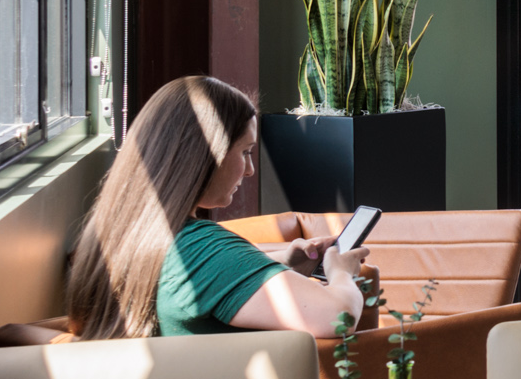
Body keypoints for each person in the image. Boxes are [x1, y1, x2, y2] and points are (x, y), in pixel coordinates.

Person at [67, 76, 372, 341]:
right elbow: (338, 317)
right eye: (245, 152)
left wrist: (281, 262)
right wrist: (340, 273)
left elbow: (194, 281)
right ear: (203, 155)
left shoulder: (115, 232)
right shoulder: (201, 249)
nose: (250, 170)